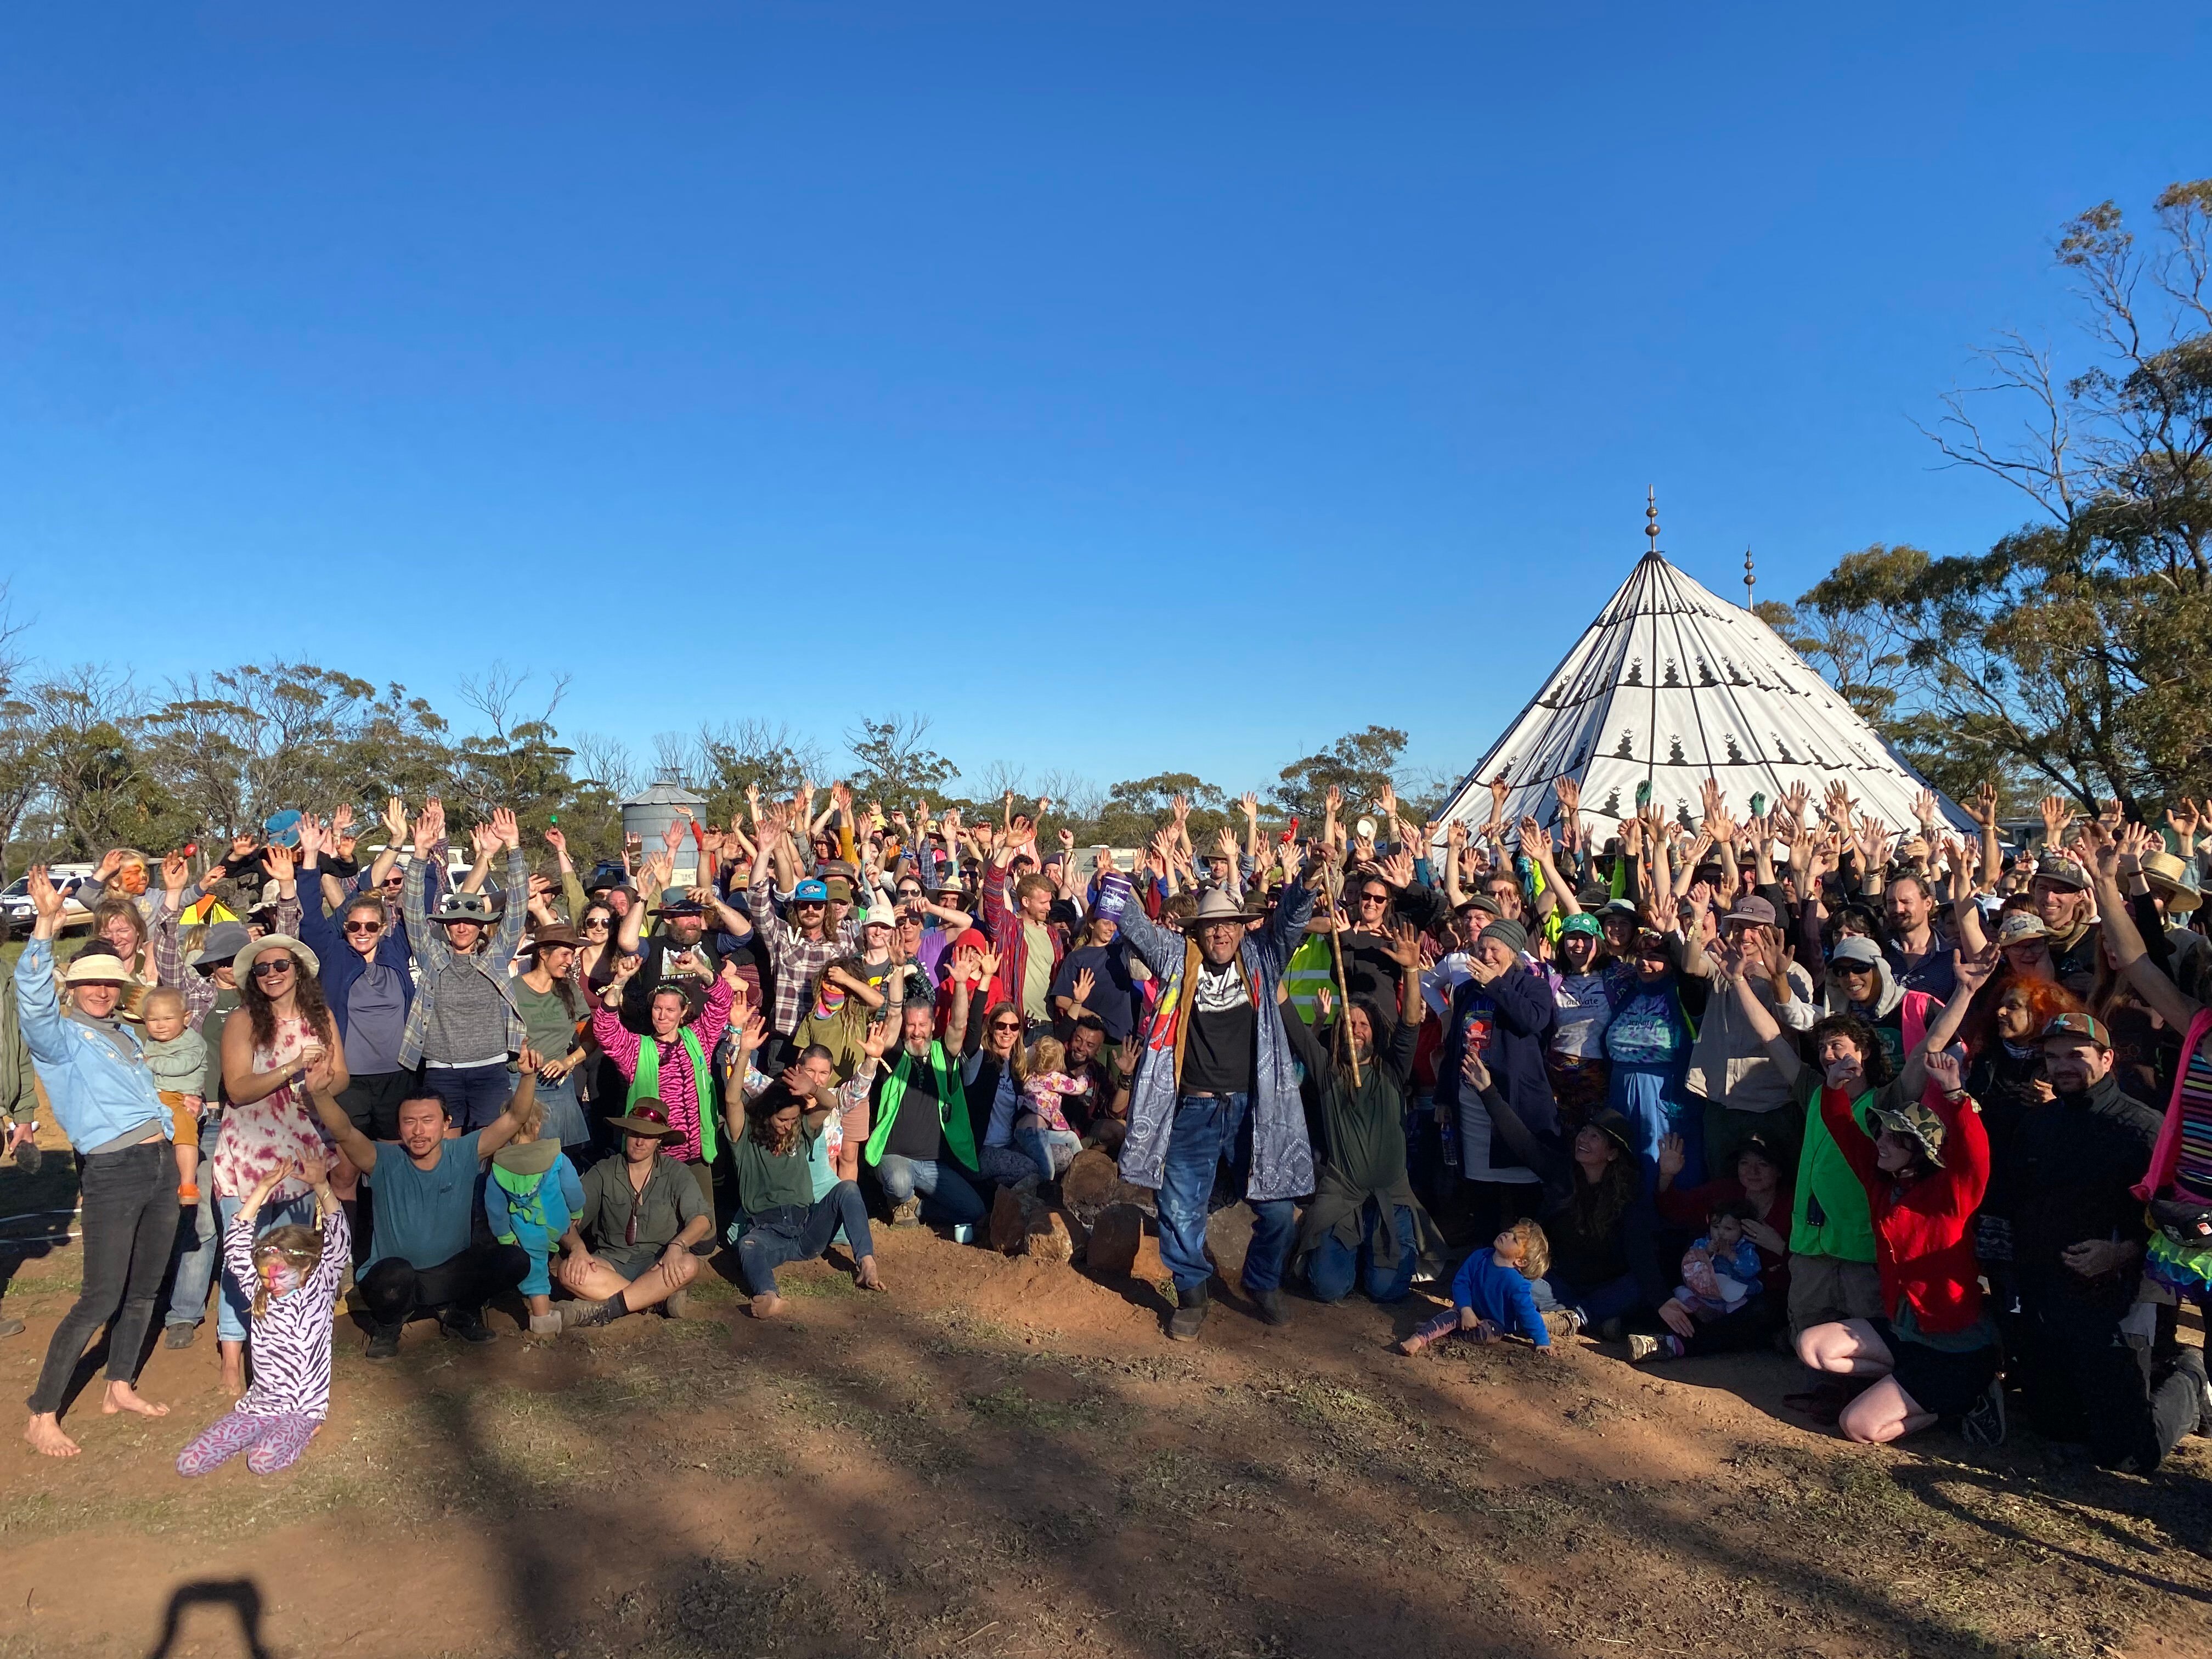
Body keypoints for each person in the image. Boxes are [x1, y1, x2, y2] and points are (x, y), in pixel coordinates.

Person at [1114, 846, 1318, 1341]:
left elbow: (1290, 922)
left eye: (1229, 924)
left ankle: (1262, 1281)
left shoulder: (1262, 960)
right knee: (1179, 1208)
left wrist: (1309, 879)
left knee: (1277, 1210)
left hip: (1256, 1111)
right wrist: (1115, 887)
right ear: (1197, 932)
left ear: (1244, 927)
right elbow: (1137, 928)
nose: (1220, 932)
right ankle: (1192, 1292)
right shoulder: (1178, 960)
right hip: (1193, 1110)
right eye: (1211, 926)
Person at [16, 868, 178, 1457]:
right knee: (100, 1296)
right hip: (113, 1171)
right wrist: (43, 929)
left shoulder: (123, 1035)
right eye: (90, 983)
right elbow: (32, 1000)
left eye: (110, 982)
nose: (102, 990)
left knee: (144, 1290)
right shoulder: (59, 1037)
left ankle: (118, 1384)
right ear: (73, 988)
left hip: (158, 1163)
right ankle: (42, 1413)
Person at [1795, 1048, 2001, 1445]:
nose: (1881, 1143)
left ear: (1920, 1153)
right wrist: (1835, 1086)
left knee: (1858, 1426)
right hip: (1905, 1335)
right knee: (1812, 1346)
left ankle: (1963, 1401)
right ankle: (1906, 1389)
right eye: (1881, 1134)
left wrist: (1956, 1096)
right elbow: (1841, 1126)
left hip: (1953, 1350)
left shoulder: (1951, 1196)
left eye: (1894, 1138)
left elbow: (1975, 1158)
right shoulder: (1881, 1182)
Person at [211, 932, 349, 1393]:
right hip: (247, 1151)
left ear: (298, 971)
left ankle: (281, 1347)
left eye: (280, 966)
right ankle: (233, 1352)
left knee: (285, 1257)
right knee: (242, 1256)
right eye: (263, 968)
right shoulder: (243, 1020)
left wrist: (323, 1081)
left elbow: (342, 1077)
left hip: (300, 1147)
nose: (271, 974)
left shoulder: (320, 1017)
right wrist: (293, 1067)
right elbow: (239, 1089)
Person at [305, 1079, 532, 1357]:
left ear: (447, 1123)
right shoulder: (381, 1159)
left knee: (515, 1260)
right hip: (395, 1282)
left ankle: (461, 1313)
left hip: (449, 1276)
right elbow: (344, 1132)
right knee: (393, 1274)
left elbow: (516, 1116)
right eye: (409, 1122)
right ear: (399, 1127)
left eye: (428, 1120)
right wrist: (318, 1092)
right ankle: (388, 1326)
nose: (418, 1130)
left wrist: (529, 1077)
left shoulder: (464, 1152)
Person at [1286, 924, 1446, 1305]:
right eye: (1349, 1024)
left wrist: (1411, 971)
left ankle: (1372, 1258)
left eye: (1363, 1025)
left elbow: (1410, 1023)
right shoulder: (1326, 1071)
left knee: (1386, 1291)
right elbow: (1288, 1015)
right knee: (1328, 1290)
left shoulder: (1393, 1070)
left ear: (1375, 1031)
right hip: (1341, 1195)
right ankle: (1338, 1251)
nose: (1356, 1031)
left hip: (1391, 1195)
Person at [175, 1153, 348, 1476]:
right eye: (265, 1276)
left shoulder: (320, 1287)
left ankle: (307, 1431)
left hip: (302, 1410)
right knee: (188, 1464)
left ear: (307, 1267)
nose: (271, 1283)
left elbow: (339, 1241)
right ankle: (257, 1431)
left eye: (279, 1276)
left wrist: (322, 1186)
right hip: (259, 1408)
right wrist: (263, 1188)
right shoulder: (260, 1288)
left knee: (261, 1462)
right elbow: (237, 1242)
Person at [401, 804, 530, 1132]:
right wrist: (419, 856)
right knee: (446, 1152)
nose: (462, 928)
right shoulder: (432, 958)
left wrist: (514, 850)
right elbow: (412, 910)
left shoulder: (496, 957)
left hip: (491, 1069)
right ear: (445, 927)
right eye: (455, 922)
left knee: (489, 1150)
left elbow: (517, 906)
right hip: (441, 1072)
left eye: (471, 922)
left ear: (481, 926)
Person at [1435, 917, 1561, 1239]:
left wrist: (1495, 984)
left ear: (1513, 952)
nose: (1487, 955)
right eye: (1481, 948)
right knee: (1481, 1191)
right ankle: (1483, 1260)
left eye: (1495, 948)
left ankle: (1524, 1263)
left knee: (1522, 1195)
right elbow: (1454, 1045)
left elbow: (1533, 1020)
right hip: (1471, 1105)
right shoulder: (1465, 990)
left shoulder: (1532, 985)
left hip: (1515, 1102)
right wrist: (1445, 1097)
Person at [592, 956, 742, 1228]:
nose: (662, 1016)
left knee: (704, 1238)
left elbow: (722, 1001)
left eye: (670, 1010)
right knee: (659, 1230)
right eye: (657, 1009)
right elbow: (605, 1030)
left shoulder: (700, 1038)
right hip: (657, 1158)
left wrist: (698, 968)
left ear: (683, 1012)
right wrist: (620, 981)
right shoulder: (637, 1048)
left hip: (698, 1152)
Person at [730, 1059, 884, 1318]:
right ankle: (770, 1296)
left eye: (793, 1118)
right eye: (783, 1119)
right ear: (767, 1114)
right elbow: (732, 1100)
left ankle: (867, 1263)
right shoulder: (745, 1138)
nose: (788, 1125)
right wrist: (745, 1050)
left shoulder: (801, 1131)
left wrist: (812, 1087)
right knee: (747, 1244)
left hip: (808, 1230)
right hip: (770, 1234)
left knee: (847, 1188)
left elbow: (830, 1104)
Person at [295, 816, 416, 1143]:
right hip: (349, 1079)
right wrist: (310, 859)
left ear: (383, 927)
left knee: (392, 1159)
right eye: (354, 926)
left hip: (400, 1076)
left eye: (371, 927)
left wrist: (420, 851)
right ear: (345, 927)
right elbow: (309, 917)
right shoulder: (333, 956)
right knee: (347, 1166)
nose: (362, 932)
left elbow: (421, 905)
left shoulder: (397, 951)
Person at [553, 1101, 714, 1328]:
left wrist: (677, 1246)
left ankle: (604, 1309)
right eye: (634, 1133)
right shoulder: (604, 1171)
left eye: (648, 1136)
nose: (639, 1142)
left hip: (658, 1262)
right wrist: (578, 1248)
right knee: (568, 1272)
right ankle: (654, 1300)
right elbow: (567, 1220)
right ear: (625, 1133)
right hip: (611, 1261)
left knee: (689, 1265)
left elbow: (701, 1219)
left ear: (660, 1141)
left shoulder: (677, 1172)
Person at [859, 1000, 987, 1231]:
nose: (916, 1031)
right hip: (894, 1157)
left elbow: (959, 1025)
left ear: (933, 1025)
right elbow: (895, 1011)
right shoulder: (896, 1055)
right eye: (911, 1025)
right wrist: (897, 970)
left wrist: (960, 982)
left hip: (932, 1166)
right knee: (899, 1183)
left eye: (922, 1024)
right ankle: (900, 1200)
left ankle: (917, 1207)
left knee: (974, 1211)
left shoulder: (943, 1057)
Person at [484, 1091, 586, 1337]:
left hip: (525, 1229)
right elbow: (572, 1187)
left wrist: (505, 1236)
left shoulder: (499, 1165)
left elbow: (495, 1206)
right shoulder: (556, 1156)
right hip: (558, 1223)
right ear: (538, 1125)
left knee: (536, 1270)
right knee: (554, 1251)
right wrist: (577, 1209)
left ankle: (542, 1321)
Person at [1396, 1218, 1555, 1356]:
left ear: (1521, 1261)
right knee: (1453, 1315)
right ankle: (1418, 1339)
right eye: (1510, 1231)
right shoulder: (1480, 1256)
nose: (1507, 1235)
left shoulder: (1517, 1284)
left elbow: (1528, 1312)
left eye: (1515, 1240)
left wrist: (1542, 1341)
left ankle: (1442, 1330)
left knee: (1488, 1334)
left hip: (1494, 1324)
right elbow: (1461, 1283)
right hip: (1467, 1309)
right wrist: (1466, 1310)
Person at [1631, 1200, 1763, 1362]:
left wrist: (1731, 1255)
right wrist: (1706, 1252)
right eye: (1716, 1228)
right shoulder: (1704, 1243)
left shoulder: (1745, 1248)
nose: (1720, 1234)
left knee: (1741, 1308)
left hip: (1731, 1293)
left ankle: (1721, 1326)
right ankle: (1698, 1311)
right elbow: (1689, 1262)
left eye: (1729, 1229)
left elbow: (1751, 1269)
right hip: (1704, 1293)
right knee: (1680, 1292)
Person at [511, 924, 593, 1154]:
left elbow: (591, 1035)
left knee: (565, 1159)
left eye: (573, 954)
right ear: (543, 954)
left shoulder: (569, 989)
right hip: (518, 1083)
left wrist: (569, 1062)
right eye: (565, 954)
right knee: (525, 1156)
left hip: (558, 1086)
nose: (571, 961)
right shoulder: (513, 989)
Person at [139, 987, 207, 1206]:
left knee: (184, 1127)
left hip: (179, 1097)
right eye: (153, 1019)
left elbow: (182, 1065)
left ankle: (188, 1183)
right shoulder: (152, 1040)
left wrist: (149, 1062)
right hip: (156, 1094)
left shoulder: (193, 1042)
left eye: (168, 1018)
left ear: (186, 1017)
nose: (160, 1025)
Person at [1015, 1035, 1090, 1183]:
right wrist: (1082, 1075)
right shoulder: (1055, 1078)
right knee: (1048, 1171)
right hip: (1035, 1133)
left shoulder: (1030, 1076)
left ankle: (1084, 1171)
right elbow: (1080, 1088)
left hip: (1025, 1131)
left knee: (1072, 1138)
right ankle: (1082, 1174)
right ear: (1058, 1061)